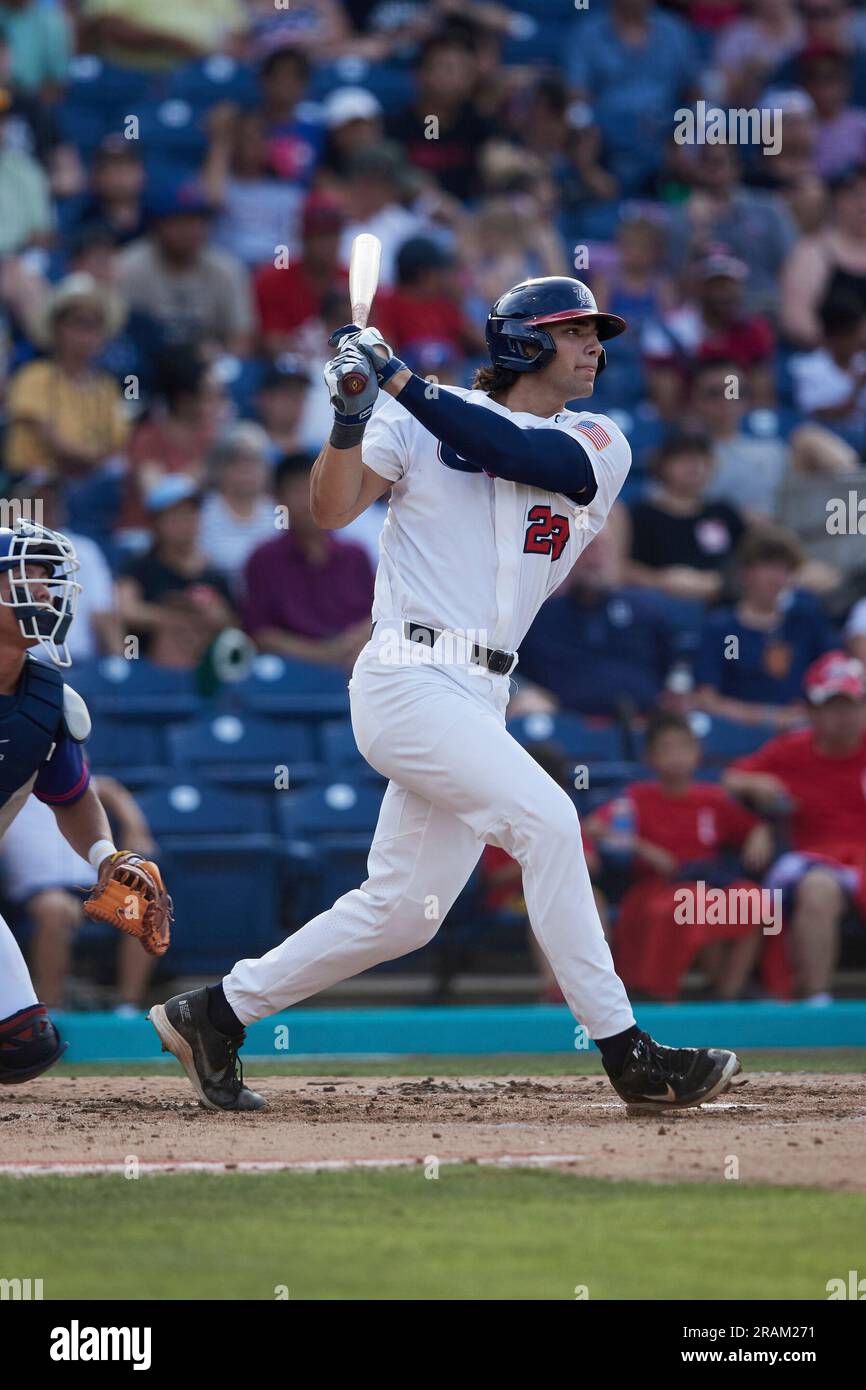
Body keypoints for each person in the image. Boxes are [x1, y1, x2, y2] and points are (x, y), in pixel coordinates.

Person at [149, 274, 741, 1113]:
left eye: (594, 334)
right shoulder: (409, 416)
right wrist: (350, 418)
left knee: (402, 912)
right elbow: (329, 507)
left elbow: (518, 452)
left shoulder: (601, 439)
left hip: (483, 691)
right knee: (547, 821)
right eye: (574, 332)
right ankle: (627, 1051)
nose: (594, 348)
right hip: (407, 676)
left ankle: (216, 1012)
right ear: (524, 342)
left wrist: (394, 380)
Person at [0, 518, 171, 1083]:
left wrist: (106, 857)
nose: (45, 590)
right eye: (27, 575)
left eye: (50, 577)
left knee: (25, 1046)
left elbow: (70, 796)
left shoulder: (48, 698)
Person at [585, 713, 771, 1001]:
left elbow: (752, 825)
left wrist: (759, 835)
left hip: (708, 883)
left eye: (684, 747)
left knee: (754, 899)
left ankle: (729, 993)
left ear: (697, 753)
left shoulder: (713, 798)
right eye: (666, 749)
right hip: (656, 889)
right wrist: (642, 846)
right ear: (650, 757)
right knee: (692, 902)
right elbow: (593, 828)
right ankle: (661, 993)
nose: (676, 756)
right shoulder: (635, 797)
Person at [724, 650, 866, 1002]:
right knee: (818, 889)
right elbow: (731, 778)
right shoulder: (791, 750)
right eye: (832, 706)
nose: (843, 716)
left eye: (851, 704)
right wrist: (756, 787)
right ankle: (817, 1003)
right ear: (812, 712)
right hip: (816, 859)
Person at [511, 526, 677, 719]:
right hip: (564, 728)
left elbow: (674, 667)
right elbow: (492, 663)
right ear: (566, 555)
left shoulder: (647, 611)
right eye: (587, 548)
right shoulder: (537, 615)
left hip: (642, 724)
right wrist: (521, 691)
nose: (595, 559)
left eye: (603, 548)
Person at [239, 451, 374, 669]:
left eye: (318, 487)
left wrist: (353, 642)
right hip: (291, 672)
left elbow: (380, 615)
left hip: (356, 665)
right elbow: (259, 633)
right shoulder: (264, 559)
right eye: (299, 490)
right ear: (279, 499)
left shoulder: (356, 555)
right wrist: (323, 654)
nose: (310, 499)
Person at [694, 528, 836, 727]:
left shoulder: (805, 620)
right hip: (742, 733)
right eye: (768, 566)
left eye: (784, 568)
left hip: (802, 731)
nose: (777, 577)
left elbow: (834, 674)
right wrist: (770, 716)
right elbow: (708, 699)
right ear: (746, 572)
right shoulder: (725, 631)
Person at [6, 272, 130, 481]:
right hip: (34, 490)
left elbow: (118, 441)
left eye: (96, 325)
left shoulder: (107, 386)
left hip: (92, 487)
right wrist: (97, 460)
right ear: (58, 328)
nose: (89, 334)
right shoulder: (33, 377)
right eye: (80, 323)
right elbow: (53, 443)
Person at [117, 185, 255, 354]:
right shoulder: (127, 267)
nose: (189, 230)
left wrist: (220, 365)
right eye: (178, 221)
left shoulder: (227, 269)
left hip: (210, 367)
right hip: (148, 366)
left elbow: (241, 339)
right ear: (156, 225)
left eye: (197, 221)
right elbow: (115, 335)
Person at [115, 478, 236, 670]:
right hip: (148, 668)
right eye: (176, 515)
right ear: (156, 522)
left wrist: (215, 614)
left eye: (191, 514)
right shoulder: (139, 567)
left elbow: (232, 624)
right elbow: (127, 610)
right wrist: (173, 619)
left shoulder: (214, 573)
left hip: (206, 669)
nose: (185, 523)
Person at [623, 431, 746, 603]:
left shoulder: (723, 512)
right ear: (663, 465)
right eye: (683, 458)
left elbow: (750, 559)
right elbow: (621, 566)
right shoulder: (642, 514)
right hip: (656, 603)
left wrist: (720, 581)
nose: (694, 465)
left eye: (701, 458)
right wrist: (660, 581)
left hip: (720, 604)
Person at [198, 423, 276, 592]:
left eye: (253, 462)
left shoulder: (279, 511)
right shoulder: (201, 511)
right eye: (235, 462)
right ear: (219, 468)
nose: (245, 470)